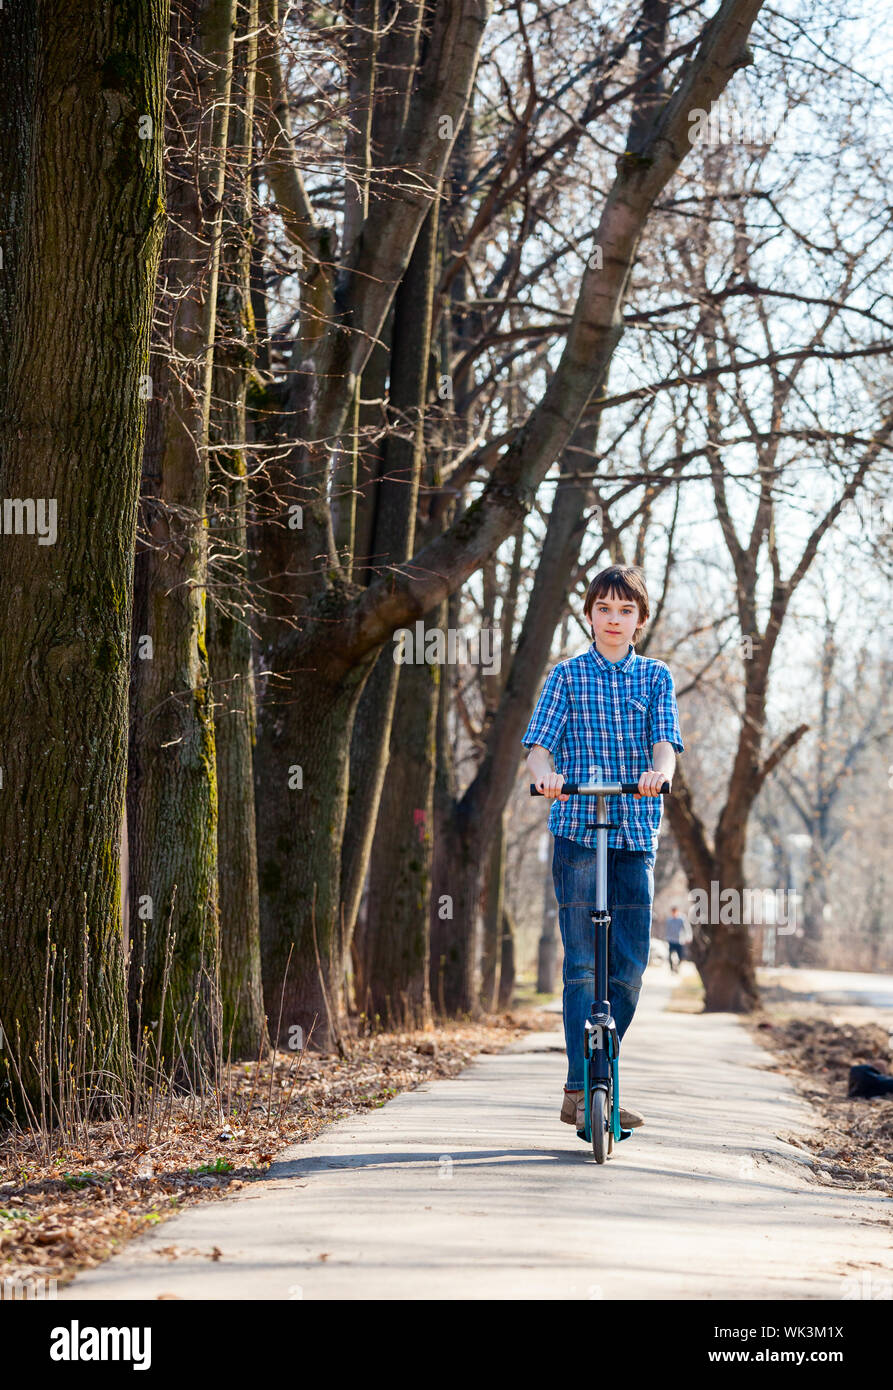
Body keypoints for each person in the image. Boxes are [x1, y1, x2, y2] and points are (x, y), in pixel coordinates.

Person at [522, 564, 684, 1132]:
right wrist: (545, 777)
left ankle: (602, 1073)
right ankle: (581, 1085)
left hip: (634, 832)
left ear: (640, 619)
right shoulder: (566, 677)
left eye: (625, 610)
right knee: (582, 965)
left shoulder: (655, 677)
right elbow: (539, 747)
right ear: (589, 615)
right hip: (577, 832)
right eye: (604, 609)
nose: (614, 619)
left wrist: (659, 774)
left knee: (630, 967)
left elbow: (665, 744)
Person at [664, 905, 691, 972]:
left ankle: (677, 967)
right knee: (670, 955)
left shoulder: (682, 919)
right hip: (671, 940)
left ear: (677, 911)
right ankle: (672, 968)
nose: (674, 913)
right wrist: (666, 938)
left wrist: (688, 937)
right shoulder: (669, 920)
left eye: (675, 911)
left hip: (679, 941)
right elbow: (667, 930)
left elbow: (687, 928)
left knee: (681, 956)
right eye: (673, 912)